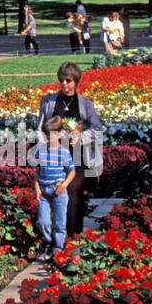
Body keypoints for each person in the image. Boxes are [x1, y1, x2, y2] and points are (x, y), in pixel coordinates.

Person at [37, 63, 103, 240]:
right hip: (54, 154)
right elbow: (40, 128)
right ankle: (59, 234)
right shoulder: (48, 101)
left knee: (73, 192)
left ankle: (73, 235)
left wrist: (80, 137)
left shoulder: (85, 104)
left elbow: (97, 129)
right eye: (62, 80)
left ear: (76, 81)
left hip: (77, 155)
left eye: (68, 81)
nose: (64, 84)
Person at [34, 116, 76, 263]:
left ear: (59, 134)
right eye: (47, 135)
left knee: (59, 223)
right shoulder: (41, 151)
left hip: (59, 192)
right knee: (42, 221)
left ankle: (58, 249)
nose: (49, 139)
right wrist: (37, 188)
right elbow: (37, 171)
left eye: (52, 135)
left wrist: (63, 185)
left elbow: (72, 172)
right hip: (44, 192)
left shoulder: (64, 153)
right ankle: (48, 242)